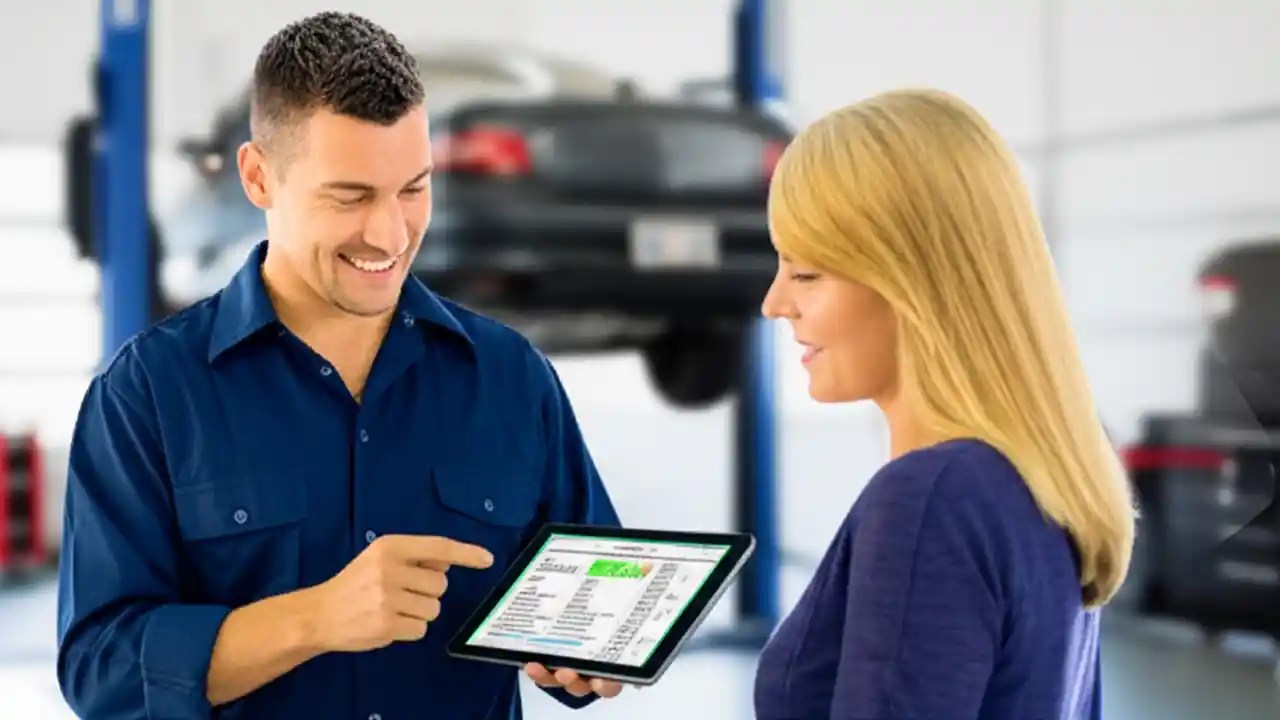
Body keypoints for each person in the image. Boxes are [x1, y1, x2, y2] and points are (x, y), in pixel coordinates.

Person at [56, 12, 625, 719]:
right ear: (259, 178)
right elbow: (99, 668)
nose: (389, 233)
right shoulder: (148, 393)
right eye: (350, 196)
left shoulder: (511, 378)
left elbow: (591, 594)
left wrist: (583, 656)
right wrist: (315, 619)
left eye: (413, 188)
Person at [753, 89, 1136, 719]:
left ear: (911, 280)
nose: (775, 303)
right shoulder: (1042, 481)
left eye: (807, 273)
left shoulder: (930, 498)